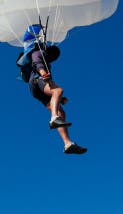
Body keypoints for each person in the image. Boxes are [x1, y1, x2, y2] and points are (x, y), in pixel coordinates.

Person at [22, 24, 87, 155]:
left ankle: (68, 144)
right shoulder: (38, 52)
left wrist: (60, 100)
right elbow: (36, 61)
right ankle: (53, 118)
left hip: (35, 87)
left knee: (61, 112)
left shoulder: (43, 57)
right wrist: (42, 72)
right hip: (37, 79)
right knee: (58, 91)